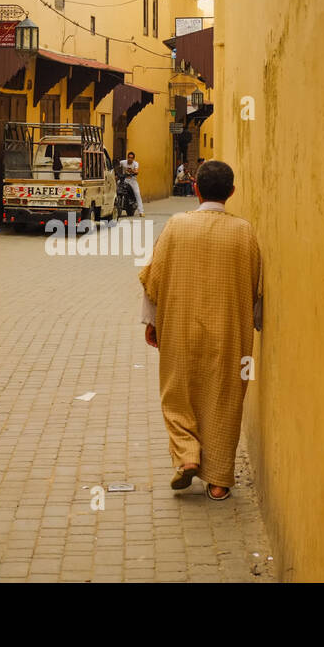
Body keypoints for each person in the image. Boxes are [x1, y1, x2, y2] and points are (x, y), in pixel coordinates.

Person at [138, 160, 262, 500]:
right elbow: (256, 287)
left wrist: (151, 323)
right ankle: (219, 481)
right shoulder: (244, 232)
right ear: (232, 192)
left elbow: (153, 280)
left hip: (179, 328)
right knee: (224, 399)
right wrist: (257, 323)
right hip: (230, 333)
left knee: (177, 395)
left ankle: (187, 457)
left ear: (194, 189)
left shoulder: (176, 227)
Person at [117, 150, 144, 217]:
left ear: (133, 159)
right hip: (124, 179)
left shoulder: (135, 164)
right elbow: (117, 166)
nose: (130, 159)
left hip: (132, 180)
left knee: (137, 193)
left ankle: (141, 211)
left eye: (131, 158)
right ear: (127, 157)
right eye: (129, 157)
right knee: (116, 187)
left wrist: (132, 171)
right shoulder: (123, 162)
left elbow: (136, 171)